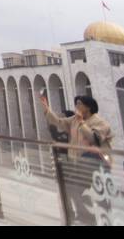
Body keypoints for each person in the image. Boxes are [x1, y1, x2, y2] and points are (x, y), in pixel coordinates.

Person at [41, 93, 112, 224]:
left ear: (88, 107)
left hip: (95, 164)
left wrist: (81, 123)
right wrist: (47, 109)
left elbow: (93, 138)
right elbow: (59, 122)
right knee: (77, 190)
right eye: (76, 103)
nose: (77, 106)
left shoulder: (100, 122)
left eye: (80, 104)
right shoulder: (74, 120)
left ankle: (104, 220)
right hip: (77, 162)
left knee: (99, 195)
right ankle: (86, 218)